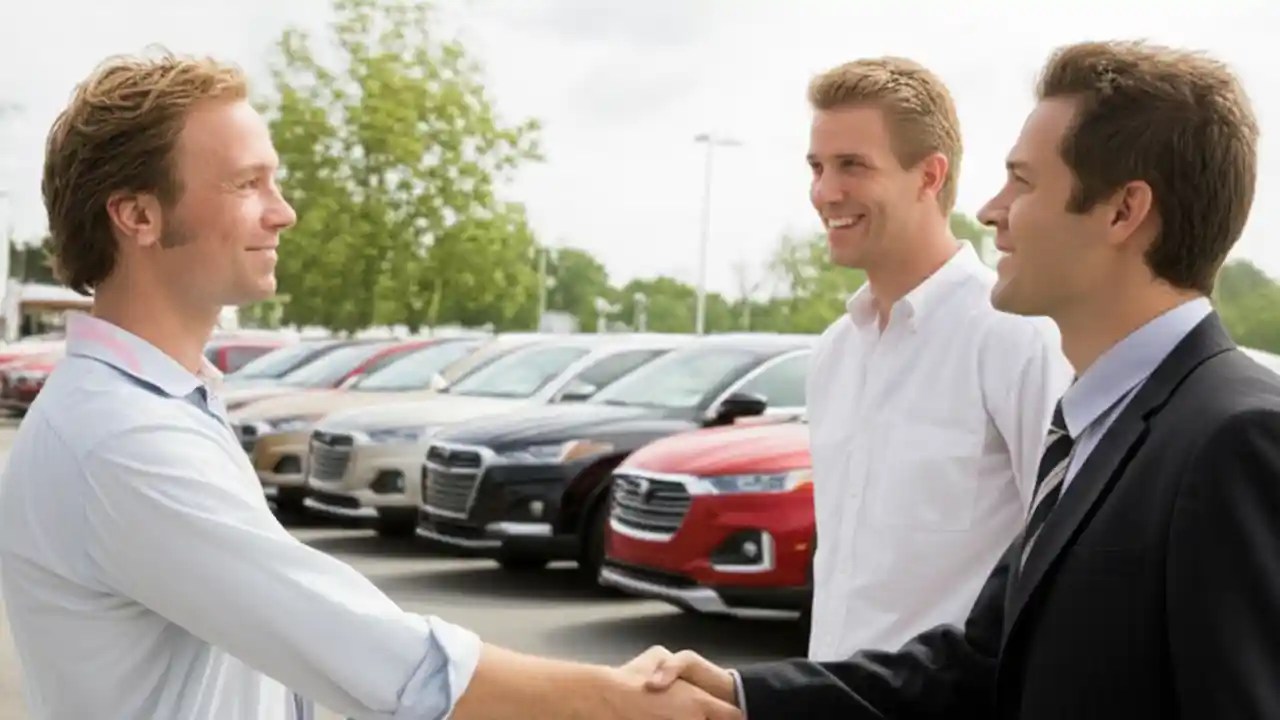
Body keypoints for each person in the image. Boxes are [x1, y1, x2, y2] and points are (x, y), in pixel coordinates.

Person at [0, 50, 739, 720]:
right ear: (137, 215)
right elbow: (375, 660)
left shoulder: (160, 406)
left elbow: (285, 664)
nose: (282, 211)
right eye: (246, 183)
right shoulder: (121, 441)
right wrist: (609, 703)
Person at [641, 39, 1280, 718]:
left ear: (1123, 211)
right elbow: (982, 660)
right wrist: (744, 694)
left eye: (1024, 182)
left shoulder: (1235, 438)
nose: (990, 209)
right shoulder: (1093, 424)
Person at [800, 57, 1070, 661]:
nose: (825, 192)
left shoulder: (1014, 338)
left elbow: (1062, 564)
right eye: (817, 167)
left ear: (929, 176)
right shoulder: (836, 352)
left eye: (852, 166)